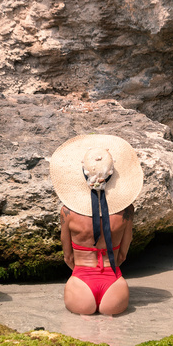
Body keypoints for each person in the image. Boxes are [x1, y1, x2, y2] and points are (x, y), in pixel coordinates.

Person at [49, 134, 144, 316]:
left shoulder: (67, 213)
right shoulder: (126, 211)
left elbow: (68, 257)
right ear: (112, 174)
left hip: (80, 284)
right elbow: (122, 255)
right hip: (114, 284)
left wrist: (82, 271)